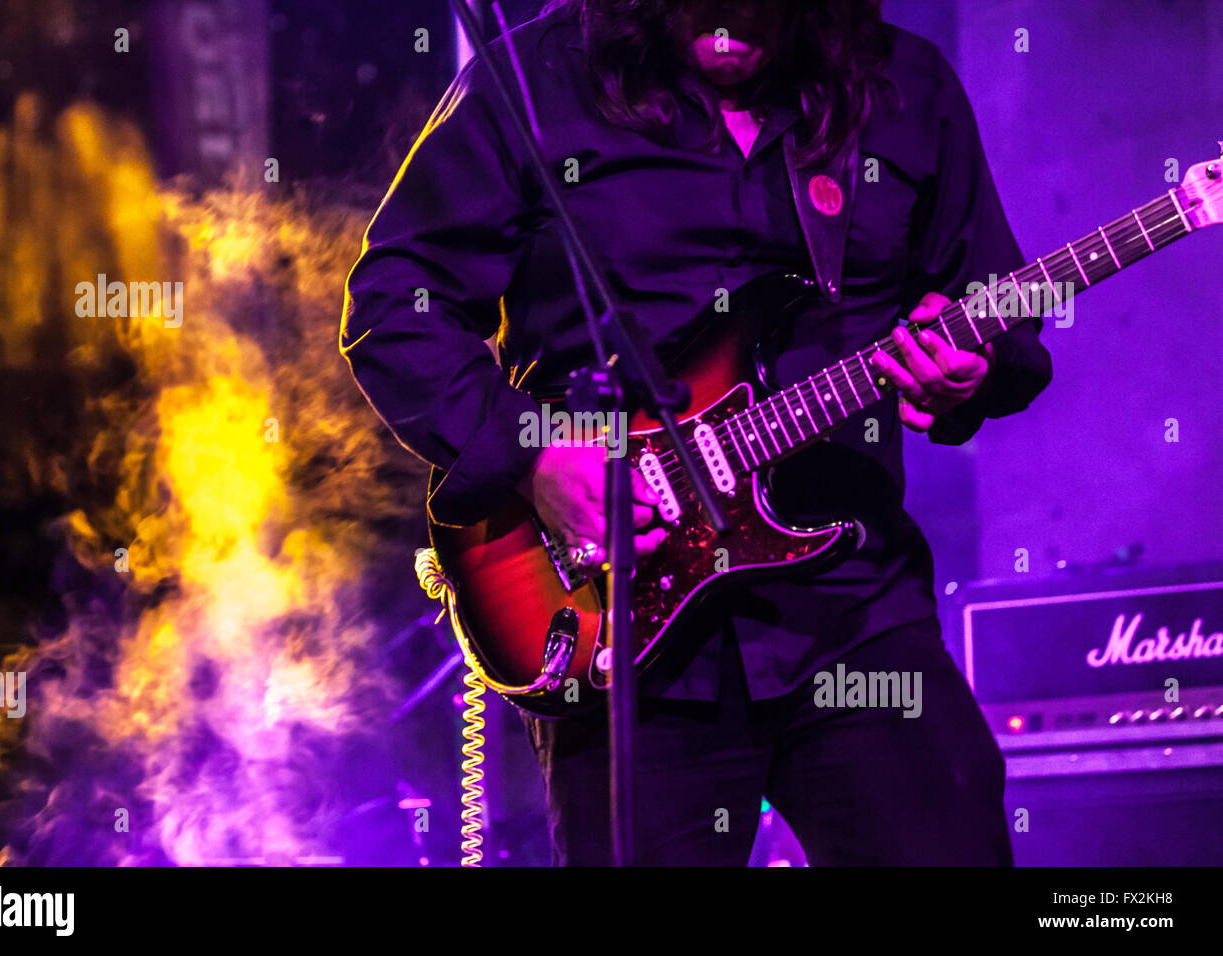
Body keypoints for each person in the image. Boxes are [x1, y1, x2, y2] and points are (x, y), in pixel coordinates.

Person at [341, 0, 1052, 865]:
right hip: (619, 621)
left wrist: (970, 374)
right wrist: (530, 453)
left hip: (852, 608)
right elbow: (395, 308)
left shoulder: (904, 86)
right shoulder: (535, 80)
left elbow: (1000, 315)